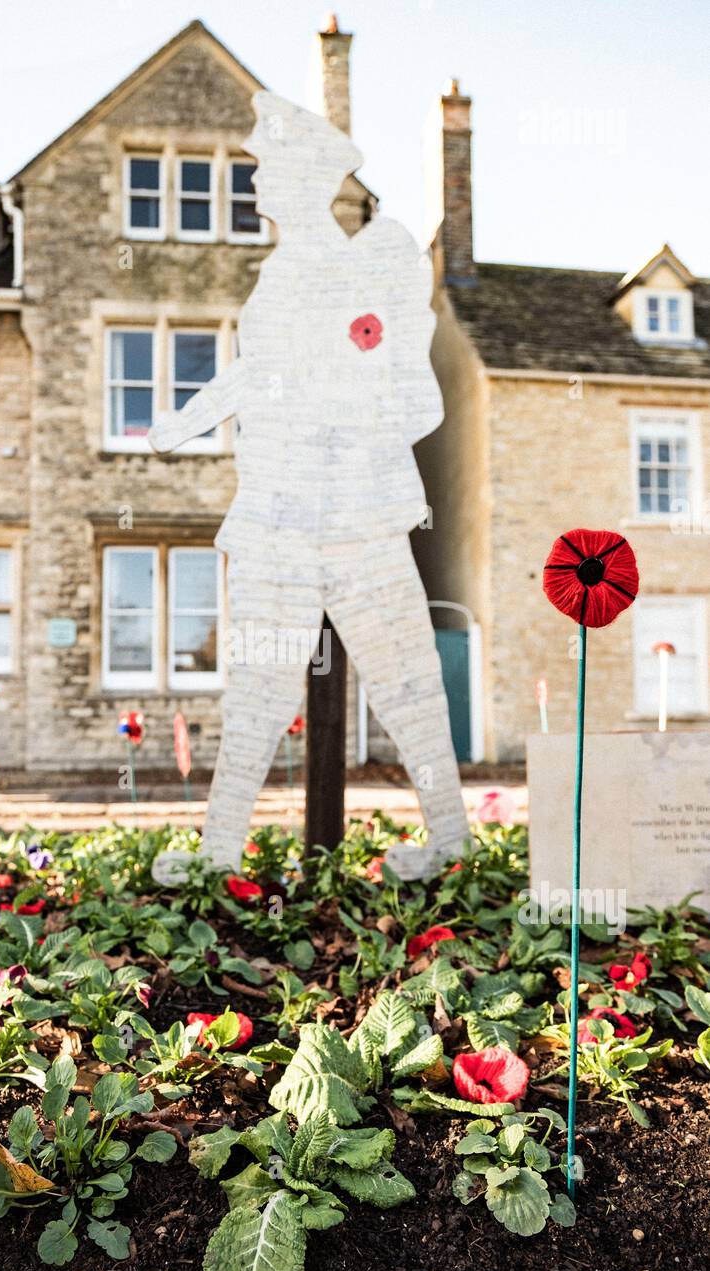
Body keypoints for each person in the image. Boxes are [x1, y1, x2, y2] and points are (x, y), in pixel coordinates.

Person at [148, 91, 468, 876]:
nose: (252, 184)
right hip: (276, 511)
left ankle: (450, 839)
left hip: (356, 509)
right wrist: (189, 417)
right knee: (258, 681)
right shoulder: (277, 274)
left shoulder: (376, 258)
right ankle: (219, 850)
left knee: (406, 679)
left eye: (264, 169)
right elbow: (260, 373)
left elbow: (406, 395)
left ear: (305, 177)